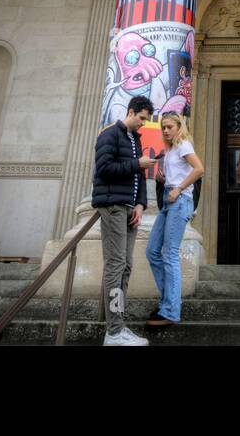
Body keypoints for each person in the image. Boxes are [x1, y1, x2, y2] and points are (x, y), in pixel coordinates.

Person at [93, 95, 156, 346]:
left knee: (126, 266)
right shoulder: (109, 135)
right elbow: (104, 169)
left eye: (146, 120)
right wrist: (136, 163)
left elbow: (138, 176)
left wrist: (141, 204)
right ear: (131, 112)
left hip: (130, 210)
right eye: (141, 118)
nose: (144, 123)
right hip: (112, 207)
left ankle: (118, 325)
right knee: (116, 265)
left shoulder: (134, 140)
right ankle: (114, 331)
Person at [145, 110, 203, 327]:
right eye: (164, 127)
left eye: (170, 126)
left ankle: (170, 310)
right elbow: (178, 172)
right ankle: (167, 302)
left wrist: (178, 188)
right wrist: (164, 177)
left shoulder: (184, 144)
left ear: (179, 126)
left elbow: (199, 169)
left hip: (179, 201)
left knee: (169, 253)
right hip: (168, 200)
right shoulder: (169, 149)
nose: (166, 130)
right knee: (152, 251)